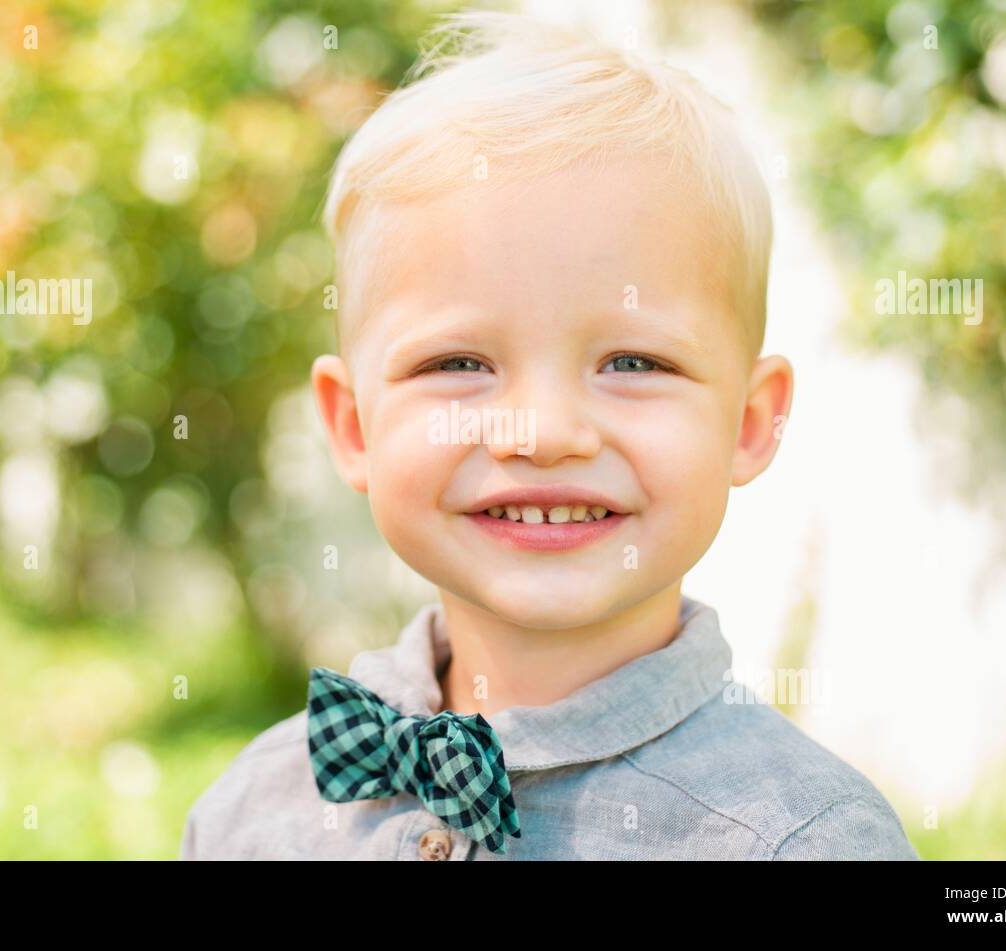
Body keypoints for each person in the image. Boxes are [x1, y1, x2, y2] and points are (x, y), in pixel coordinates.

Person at [181, 10, 918, 861]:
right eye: (459, 360)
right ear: (354, 426)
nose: (542, 432)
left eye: (634, 361)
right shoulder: (251, 811)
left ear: (750, 422)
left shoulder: (800, 841)